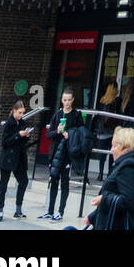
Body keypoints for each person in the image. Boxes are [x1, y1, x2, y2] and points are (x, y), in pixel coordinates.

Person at [39, 88, 89, 221]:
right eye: (64, 100)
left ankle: (60, 211)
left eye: (69, 100)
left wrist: (70, 134)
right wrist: (57, 131)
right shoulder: (57, 115)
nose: (66, 103)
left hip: (67, 153)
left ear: (73, 100)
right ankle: (50, 211)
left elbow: (81, 133)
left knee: (65, 182)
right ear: (61, 100)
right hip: (55, 153)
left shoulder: (77, 115)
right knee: (53, 181)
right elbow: (49, 134)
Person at [85, 126, 134, 230]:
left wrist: (103, 199)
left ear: (126, 148)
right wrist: (93, 217)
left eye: (114, 146)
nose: (111, 150)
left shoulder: (128, 167)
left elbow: (126, 200)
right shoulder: (127, 164)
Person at [0, 99, 32, 220]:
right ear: (14, 111)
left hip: (19, 158)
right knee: (3, 185)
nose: (21, 115)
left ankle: (18, 209)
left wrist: (26, 136)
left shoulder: (23, 123)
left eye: (23, 113)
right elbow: (5, 143)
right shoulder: (8, 124)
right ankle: (0, 210)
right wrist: (18, 135)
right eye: (19, 112)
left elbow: (23, 142)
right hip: (8, 158)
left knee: (24, 181)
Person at [94, 79, 121, 181]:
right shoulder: (116, 101)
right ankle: (109, 173)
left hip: (102, 130)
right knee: (111, 153)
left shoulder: (102, 100)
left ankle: (100, 173)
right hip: (111, 130)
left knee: (102, 153)